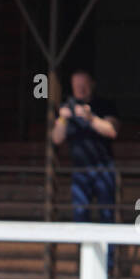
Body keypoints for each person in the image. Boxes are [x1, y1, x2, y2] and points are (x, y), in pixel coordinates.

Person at [50, 69, 120, 225]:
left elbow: (112, 130)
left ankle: (109, 250)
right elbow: (56, 138)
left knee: (107, 213)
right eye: (77, 85)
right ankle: (82, 249)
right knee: (80, 214)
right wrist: (62, 118)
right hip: (80, 170)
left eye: (84, 85)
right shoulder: (67, 107)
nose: (80, 89)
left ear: (92, 85)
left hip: (104, 168)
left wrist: (91, 118)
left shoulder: (104, 105)